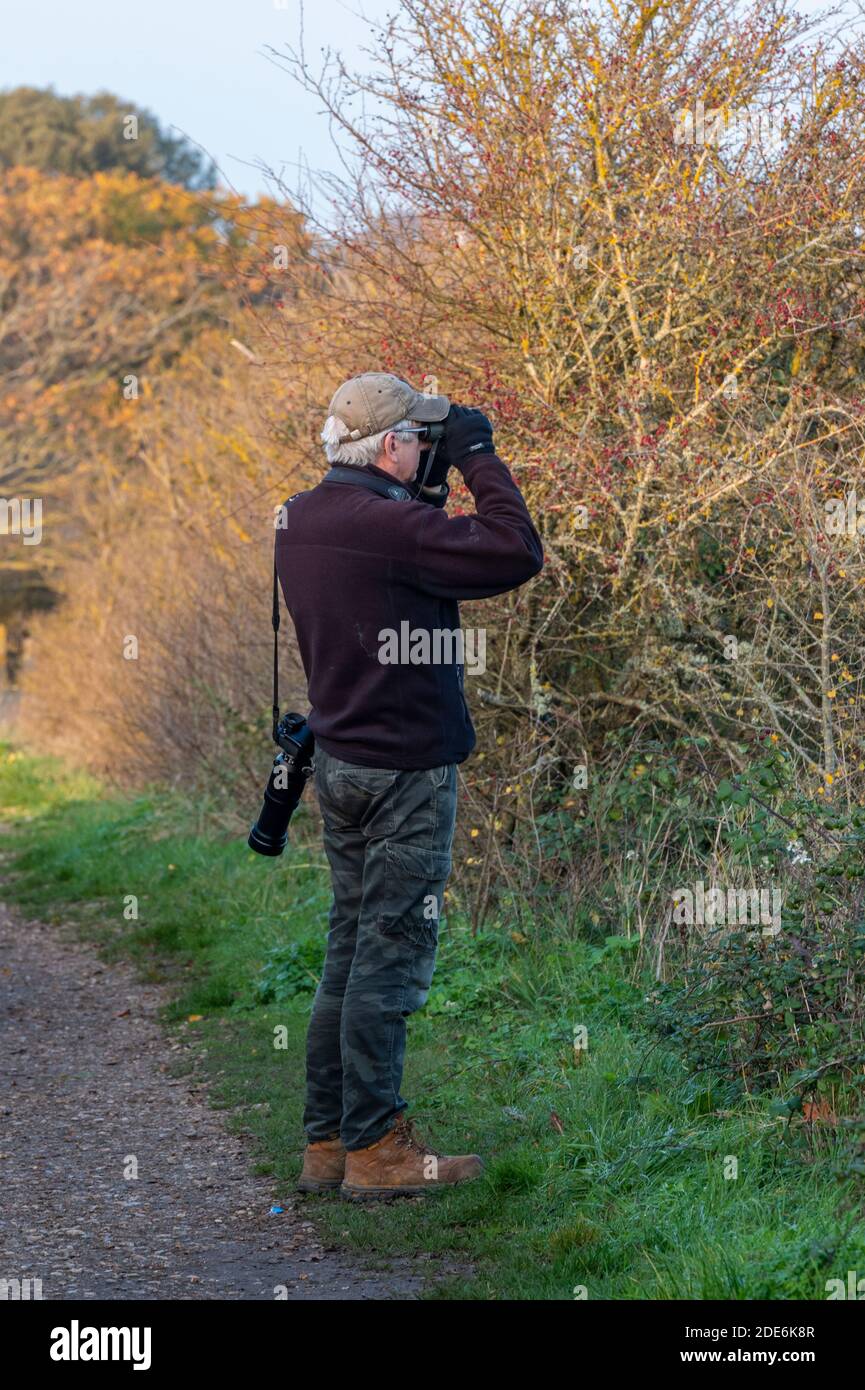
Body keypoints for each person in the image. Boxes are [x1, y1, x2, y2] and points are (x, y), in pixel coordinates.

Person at [275, 371, 543, 1199]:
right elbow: (514, 549)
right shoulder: (390, 530)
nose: (428, 449)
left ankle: (327, 1143)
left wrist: (425, 480)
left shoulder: (300, 518)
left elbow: (391, 548)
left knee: (347, 954)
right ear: (389, 445)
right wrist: (477, 456)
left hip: (341, 765)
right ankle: (378, 1152)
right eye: (419, 439)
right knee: (388, 960)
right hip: (402, 776)